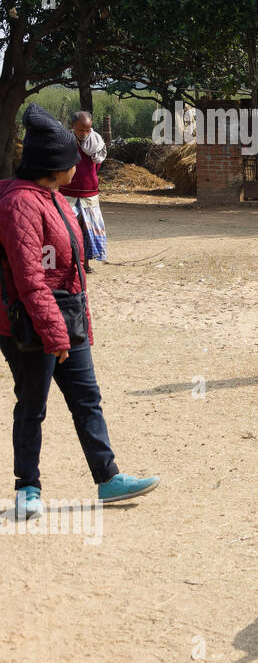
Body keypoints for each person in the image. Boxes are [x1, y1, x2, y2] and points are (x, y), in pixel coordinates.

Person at [0, 104, 159, 519]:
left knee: (87, 398)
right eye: (73, 159)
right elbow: (30, 279)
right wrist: (54, 334)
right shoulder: (19, 205)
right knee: (32, 404)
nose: (79, 165)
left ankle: (108, 479)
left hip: (65, 315)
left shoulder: (52, 196)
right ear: (54, 167)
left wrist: (73, 326)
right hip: (28, 322)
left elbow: (70, 268)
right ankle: (27, 489)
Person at [60, 111, 109, 272]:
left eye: (88, 130)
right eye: (81, 130)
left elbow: (97, 166)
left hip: (89, 192)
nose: (84, 133)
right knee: (67, 228)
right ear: (73, 126)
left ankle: (85, 264)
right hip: (67, 192)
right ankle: (68, 263)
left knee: (89, 231)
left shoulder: (97, 142)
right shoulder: (64, 142)